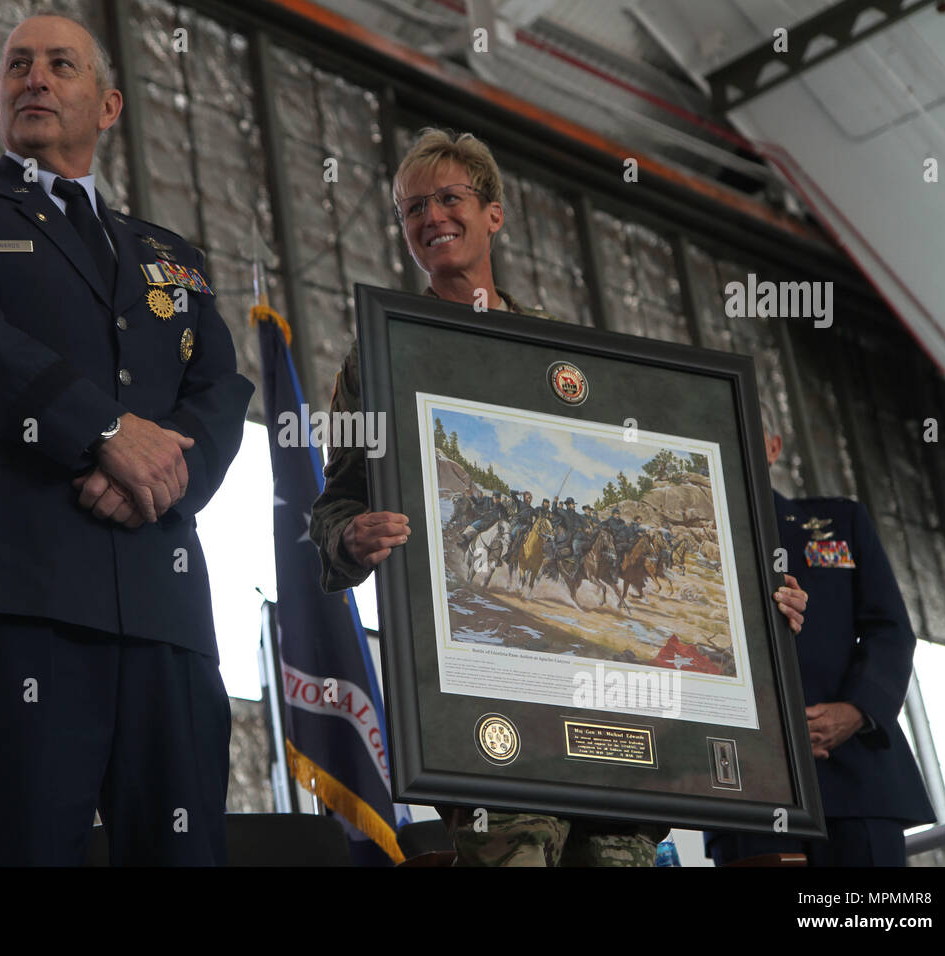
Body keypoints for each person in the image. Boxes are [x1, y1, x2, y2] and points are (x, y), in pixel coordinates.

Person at [311, 128, 809, 866]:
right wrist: (351, 540)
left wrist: (755, 609)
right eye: (412, 208)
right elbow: (336, 504)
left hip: (615, 726)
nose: (431, 217)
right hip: (485, 712)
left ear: (493, 215)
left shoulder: (571, 354)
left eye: (450, 198)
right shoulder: (381, 359)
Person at [0, 12, 252, 865]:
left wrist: (160, 463)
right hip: (6, 594)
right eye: (18, 65)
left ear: (108, 104)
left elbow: (219, 389)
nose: (33, 77)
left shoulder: (168, 255)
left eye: (60, 64)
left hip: (159, 608)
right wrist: (104, 430)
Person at [704, 408, 935, 866]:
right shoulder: (693, 540)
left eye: (745, 431)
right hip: (747, 779)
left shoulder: (837, 524)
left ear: (773, 447)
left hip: (854, 773)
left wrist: (856, 711)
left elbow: (889, 630)